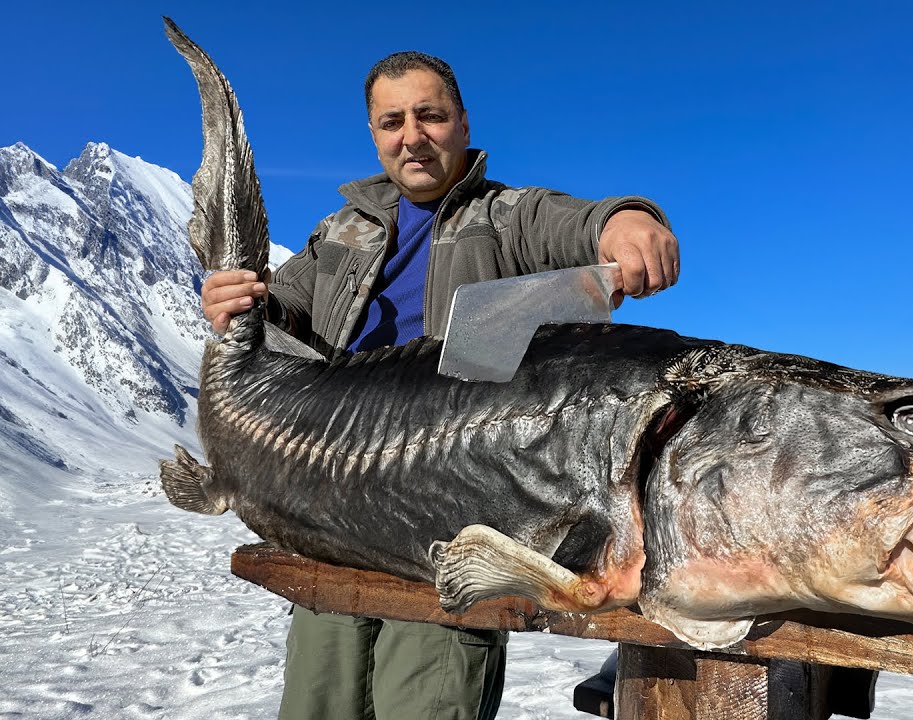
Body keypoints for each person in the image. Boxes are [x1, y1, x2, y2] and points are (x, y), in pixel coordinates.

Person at [200, 50, 678, 720]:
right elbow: (281, 312)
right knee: (317, 704)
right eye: (391, 121)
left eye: (430, 115)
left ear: (461, 122)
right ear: (374, 134)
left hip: (450, 532)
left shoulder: (508, 216)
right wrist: (240, 300)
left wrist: (627, 221)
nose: (411, 135)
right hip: (327, 510)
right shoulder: (341, 232)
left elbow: (581, 222)